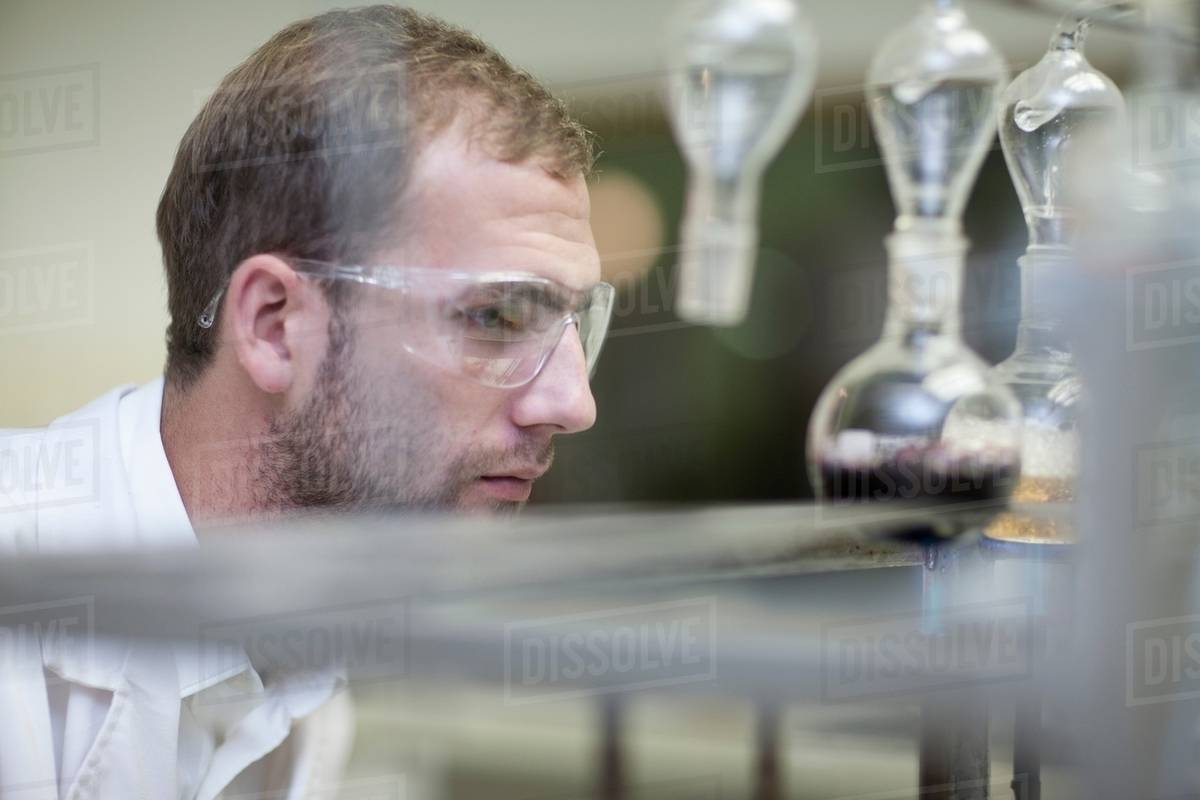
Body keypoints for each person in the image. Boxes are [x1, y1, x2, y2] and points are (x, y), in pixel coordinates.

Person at [0, 6, 613, 798]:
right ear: (275, 326)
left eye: (575, 324)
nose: (573, 403)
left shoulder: (305, 647)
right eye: (495, 317)